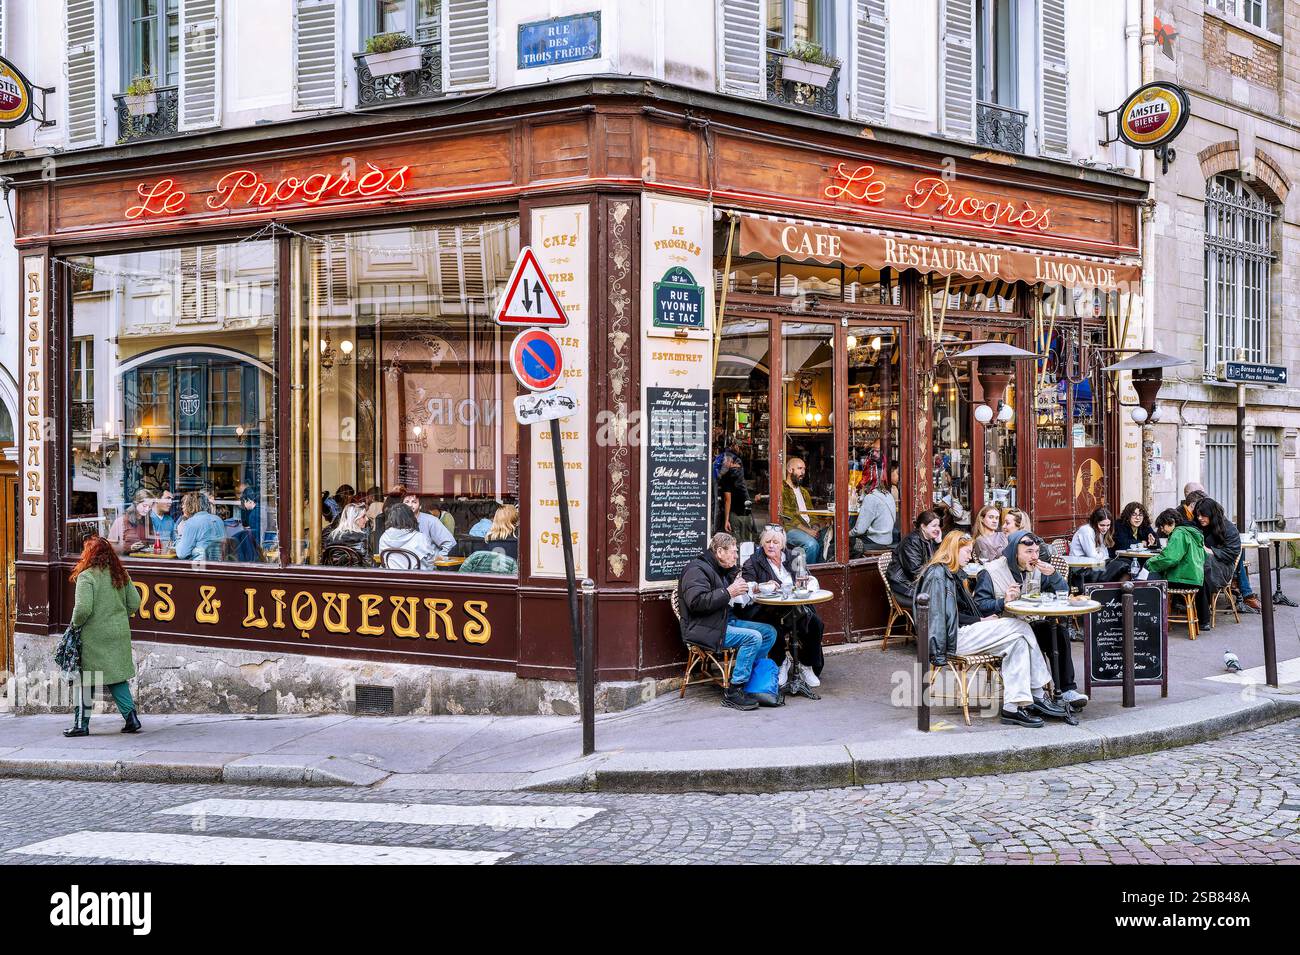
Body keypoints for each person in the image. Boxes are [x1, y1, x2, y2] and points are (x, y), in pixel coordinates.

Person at [918, 531, 1066, 728]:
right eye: (967, 551)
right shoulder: (938, 574)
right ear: (954, 549)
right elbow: (937, 617)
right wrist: (939, 651)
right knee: (1021, 626)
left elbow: (954, 612)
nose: (970, 557)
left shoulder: (952, 574)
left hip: (964, 631)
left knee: (1018, 642)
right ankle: (1038, 692)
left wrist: (981, 619)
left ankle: (1013, 707)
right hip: (955, 638)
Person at [973, 530, 1089, 709]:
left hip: (1031, 624)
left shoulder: (1038, 569)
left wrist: (1054, 576)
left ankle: (1066, 690)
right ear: (1014, 552)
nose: (1034, 556)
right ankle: (1034, 696)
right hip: (1005, 632)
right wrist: (1002, 601)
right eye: (1028, 552)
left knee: (1058, 632)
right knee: (1028, 637)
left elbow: (1062, 594)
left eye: (1036, 551)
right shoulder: (990, 572)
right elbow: (979, 606)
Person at [677, 532, 779, 711]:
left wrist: (753, 586)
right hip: (704, 627)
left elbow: (738, 589)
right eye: (733, 552)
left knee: (769, 632)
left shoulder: (723, 568)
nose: (736, 556)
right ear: (719, 552)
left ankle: (750, 681)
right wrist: (728, 592)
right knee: (753, 637)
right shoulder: (696, 570)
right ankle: (734, 691)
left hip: (724, 622)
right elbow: (696, 602)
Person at [63, 535, 143, 737]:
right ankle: (131, 719)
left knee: (86, 678)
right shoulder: (120, 574)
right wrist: (118, 616)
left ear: (88, 555)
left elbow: (82, 609)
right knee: (116, 677)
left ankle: (81, 724)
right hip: (119, 632)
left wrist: (74, 626)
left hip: (94, 636)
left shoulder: (86, 576)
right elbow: (135, 603)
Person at [741, 525, 824, 688]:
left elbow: (808, 578)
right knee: (773, 627)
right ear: (762, 544)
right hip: (766, 609)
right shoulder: (754, 562)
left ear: (782, 544)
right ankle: (781, 662)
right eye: (767, 542)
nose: (771, 545)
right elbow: (747, 587)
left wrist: (806, 585)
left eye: (775, 542)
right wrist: (761, 586)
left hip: (794, 607)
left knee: (815, 624)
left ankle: (805, 664)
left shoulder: (793, 557)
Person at [1194, 497, 1246, 615]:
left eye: (1203, 515)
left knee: (1206, 562)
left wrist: (1210, 551)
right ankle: (1189, 601)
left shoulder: (1229, 529)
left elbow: (1232, 553)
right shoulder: (1199, 526)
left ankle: (1201, 611)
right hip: (1203, 565)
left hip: (1224, 567)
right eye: (1198, 515)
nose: (1200, 518)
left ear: (1211, 514)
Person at [886, 510, 942, 610]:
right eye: (934, 526)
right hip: (904, 587)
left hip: (918, 584)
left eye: (938, 526)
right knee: (940, 599)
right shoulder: (912, 541)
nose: (938, 529)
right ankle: (932, 626)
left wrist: (938, 543)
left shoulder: (930, 540)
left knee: (950, 593)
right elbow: (915, 571)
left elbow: (938, 562)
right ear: (923, 526)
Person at [1143, 508, 1205, 590]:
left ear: (1171, 522)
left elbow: (1170, 558)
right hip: (1194, 578)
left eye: (1162, 526)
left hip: (1183, 579)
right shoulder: (1189, 532)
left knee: (1148, 577)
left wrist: (1150, 563)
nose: (1161, 530)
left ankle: (1149, 602)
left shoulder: (1179, 533)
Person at [780, 457, 823, 565]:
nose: (803, 472)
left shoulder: (804, 491)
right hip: (790, 529)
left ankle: (819, 573)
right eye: (799, 468)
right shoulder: (781, 488)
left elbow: (811, 513)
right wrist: (808, 531)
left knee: (827, 541)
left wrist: (815, 527)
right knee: (811, 545)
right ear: (790, 470)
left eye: (804, 469)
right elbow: (787, 516)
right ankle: (806, 576)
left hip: (807, 528)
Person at [1069, 507, 1129, 583]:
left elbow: (1105, 555)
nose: (1105, 528)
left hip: (1095, 565)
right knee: (1122, 566)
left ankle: (1118, 590)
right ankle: (1115, 591)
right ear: (1095, 522)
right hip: (1082, 569)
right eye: (1102, 525)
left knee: (1126, 562)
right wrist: (1100, 553)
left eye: (1108, 525)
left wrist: (1099, 553)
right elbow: (1093, 556)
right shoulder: (1087, 531)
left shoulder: (1099, 531)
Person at [378, 503, 439, 568]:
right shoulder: (420, 537)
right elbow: (431, 560)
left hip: (391, 577)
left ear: (391, 519)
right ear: (411, 517)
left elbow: (382, 559)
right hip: (415, 577)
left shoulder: (384, 537)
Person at [850, 474, 896, 552]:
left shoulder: (870, 498)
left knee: (840, 543)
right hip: (888, 540)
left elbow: (859, 530)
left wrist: (847, 534)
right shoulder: (889, 495)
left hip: (875, 542)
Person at [174, 492, 225, 562]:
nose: (182, 507)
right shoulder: (218, 519)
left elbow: (181, 554)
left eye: (184, 504)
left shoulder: (192, 522)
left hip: (199, 567)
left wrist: (180, 534)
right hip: (219, 564)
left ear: (190, 505)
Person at [716, 451, 754, 542]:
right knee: (747, 541)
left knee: (736, 542)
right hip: (746, 512)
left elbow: (727, 500)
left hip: (734, 513)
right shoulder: (740, 472)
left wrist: (726, 520)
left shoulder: (726, 477)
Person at [404, 493, 456, 558]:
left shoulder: (431, 521)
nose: (410, 505)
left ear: (420, 505)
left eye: (414, 502)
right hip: (404, 565)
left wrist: (435, 560)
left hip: (425, 566)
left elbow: (450, 543)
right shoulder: (397, 521)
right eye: (407, 502)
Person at [107, 489, 153, 555]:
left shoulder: (148, 521)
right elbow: (110, 546)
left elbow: (152, 542)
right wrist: (129, 548)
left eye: (150, 507)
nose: (147, 509)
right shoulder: (120, 521)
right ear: (136, 503)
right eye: (144, 505)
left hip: (145, 560)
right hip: (127, 561)